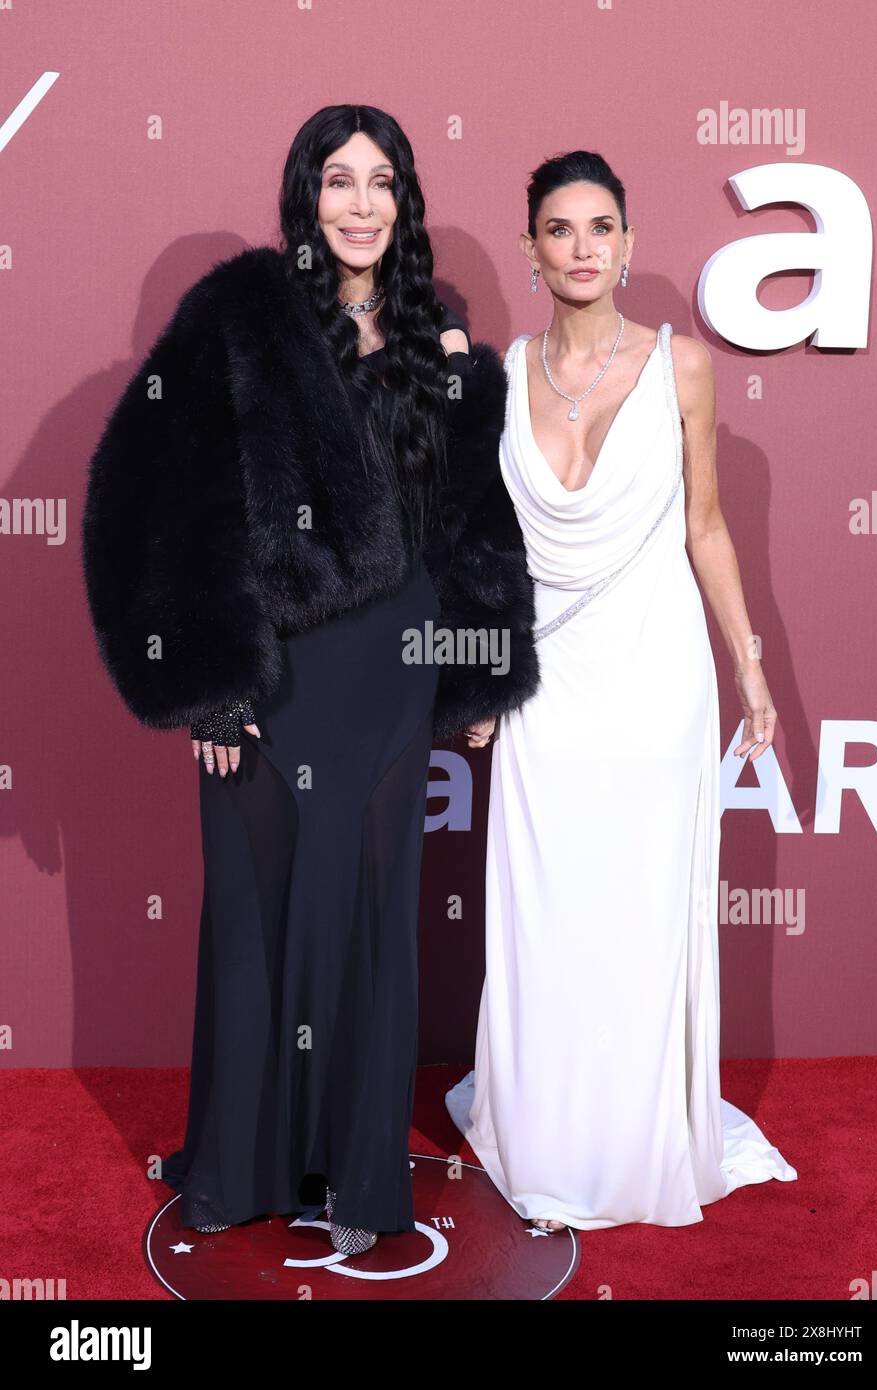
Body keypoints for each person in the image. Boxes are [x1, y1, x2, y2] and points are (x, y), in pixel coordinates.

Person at [81, 105, 539, 1256]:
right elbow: (152, 493)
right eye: (339, 180)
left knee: (370, 922)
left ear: (406, 201)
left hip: (391, 674)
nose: (362, 204)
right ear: (305, 194)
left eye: (383, 181)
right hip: (274, 685)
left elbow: (472, 528)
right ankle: (243, 1164)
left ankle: (350, 1164)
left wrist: (476, 671)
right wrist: (207, 684)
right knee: (258, 918)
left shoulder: (441, 344)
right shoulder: (240, 317)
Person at [445, 150, 798, 1231]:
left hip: (654, 681)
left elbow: (705, 525)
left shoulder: (684, 365)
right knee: (550, 917)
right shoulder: (500, 374)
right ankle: (550, 1131)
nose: (584, 246)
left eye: (603, 227)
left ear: (630, 244)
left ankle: (642, 1133)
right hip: (550, 686)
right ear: (532, 251)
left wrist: (746, 658)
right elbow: (484, 543)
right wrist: (487, 666)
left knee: (640, 916)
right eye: (561, 229)